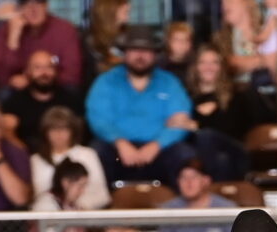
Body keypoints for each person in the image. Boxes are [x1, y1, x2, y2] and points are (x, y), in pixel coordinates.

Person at [85, 25, 199, 187]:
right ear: (125, 53)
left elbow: (180, 121)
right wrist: (120, 142)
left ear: (155, 54)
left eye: (146, 50)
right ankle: (102, 208)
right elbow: (98, 119)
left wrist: (157, 145)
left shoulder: (169, 83)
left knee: (184, 153)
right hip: (117, 150)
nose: (140, 56)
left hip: (160, 150)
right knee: (95, 152)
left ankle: (179, 209)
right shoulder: (106, 82)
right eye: (134, 50)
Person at [180, 43, 268, 182]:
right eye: (203, 62)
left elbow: (232, 128)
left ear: (221, 67)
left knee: (207, 137)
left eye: (214, 62)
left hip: (235, 151)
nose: (208, 67)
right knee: (219, 160)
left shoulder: (237, 94)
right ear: (195, 67)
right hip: (201, 156)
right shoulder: (184, 97)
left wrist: (198, 125)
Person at [30, 106, 111, 211]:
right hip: (48, 215)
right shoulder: (36, 160)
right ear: (45, 132)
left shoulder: (87, 154)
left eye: (64, 128)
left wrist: (77, 208)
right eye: (53, 129)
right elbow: (36, 195)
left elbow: (102, 195)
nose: (58, 134)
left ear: (73, 131)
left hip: (83, 215)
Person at [0, 0, 82, 95]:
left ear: (46, 5)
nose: (33, 9)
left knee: (71, 90)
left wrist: (33, 80)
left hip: (56, 87)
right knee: (5, 92)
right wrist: (14, 38)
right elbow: (2, 78)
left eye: (38, 3)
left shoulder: (65, 29)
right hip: (21, 92)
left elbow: (72, 75)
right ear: (19, 9)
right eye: (26, 4)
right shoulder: (7, 30)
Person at [3, 50, 81, 145]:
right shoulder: (14, 102)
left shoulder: (70, 100)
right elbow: (8, 137)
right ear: (27, 71)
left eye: (49, 67)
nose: (44, 73)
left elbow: (78, 135)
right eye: (38, 68)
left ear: (56, 71)